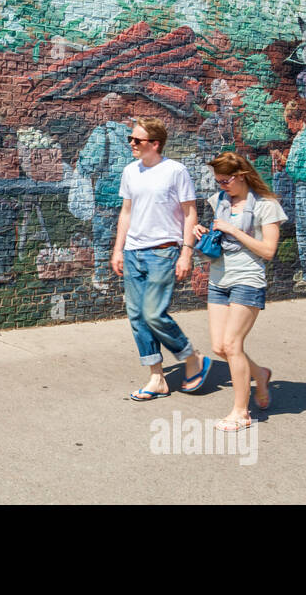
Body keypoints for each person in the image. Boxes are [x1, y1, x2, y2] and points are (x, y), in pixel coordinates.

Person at [110, 117, 209, 400]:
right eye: (131, 139)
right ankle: (157, 378)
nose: (131, 144)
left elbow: (190, 213)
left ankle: (192, 358)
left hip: (163, 252)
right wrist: (118, 249)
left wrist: (186, 252)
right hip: (133, 252)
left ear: (155, 144)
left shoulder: (175, 171)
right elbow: (126, 212)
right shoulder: (130, 171)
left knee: (153, 313)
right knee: (137, 316)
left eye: (136, 140)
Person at [192, 152, 287, 431]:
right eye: (218, 181)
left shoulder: (266, 206)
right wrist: (205, 232)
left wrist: (234, 230)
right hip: (219, 279)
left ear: (241, 175)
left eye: (225, 181)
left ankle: (241, 412)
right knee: (220, 347)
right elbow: (221, 238)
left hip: (248, 278)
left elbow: (268, 251)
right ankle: (260, 374)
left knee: (233, 345)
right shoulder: (219, 201)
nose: (221, 186)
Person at [75, 93, 134, 292]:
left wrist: (80, 161)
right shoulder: (141, 131)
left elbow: (89, 165)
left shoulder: (103, 133)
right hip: (136, 199)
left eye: (105, 108)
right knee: (131, 240)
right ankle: (129, 282)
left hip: (108, 197)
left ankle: (103, 279)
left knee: (102, 239)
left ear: (107, 111)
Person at [273, 99, 306, 293]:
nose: (288, 127)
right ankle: (304, 269)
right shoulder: (301, 137)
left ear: (294, 120)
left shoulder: (304, 139)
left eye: (288, 123)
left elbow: (298, 169)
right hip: (301, 189)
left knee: (303, 233)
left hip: (305, 189)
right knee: (302, 231)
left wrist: (282, 160)